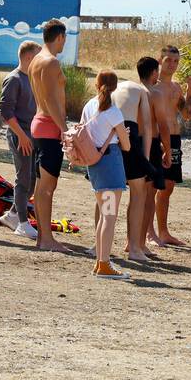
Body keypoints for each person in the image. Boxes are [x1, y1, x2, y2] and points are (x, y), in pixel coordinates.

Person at [82, 70, 133, 280]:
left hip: (94, 163)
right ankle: (104, 264)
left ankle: (100, 262)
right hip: (110, 164)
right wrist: (123, 136)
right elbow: (127, 146)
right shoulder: (113, 111)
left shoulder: (89, 106)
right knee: (109, 217)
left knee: (104, 215)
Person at [28, 20, 73, 252]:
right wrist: (64, 129)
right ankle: (46, 238)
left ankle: (43, 235)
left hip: (40, 125)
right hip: (48, 127)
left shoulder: (36, 60)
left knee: (41, 185)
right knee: (47, 186)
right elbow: (50, 101)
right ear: (60, 37)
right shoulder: (51, 62)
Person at [112, 57, 158, 262]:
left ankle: (99, 243)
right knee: (138, 193)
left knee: (107, 192)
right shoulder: (142, 91)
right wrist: (146, 159)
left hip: (107, 132)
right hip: (128, 133)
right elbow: (147, 126)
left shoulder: (117, 87)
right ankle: (134, 247)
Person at [0, 40, 42, 238]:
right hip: (20, 135)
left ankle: (14, 214)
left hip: (31, 135)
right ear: (28, 57)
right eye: (37, 56)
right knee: (23, 177)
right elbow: (6, 111)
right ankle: (22, 223)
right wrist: (22, 136)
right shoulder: (14, 79)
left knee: (32, 177)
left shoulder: (31, 79)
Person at [148, 44, 189, 247]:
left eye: (175, 61)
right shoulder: (152, 87)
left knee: (169, 186)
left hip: (175, 139)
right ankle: (149, 232)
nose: (172, 65)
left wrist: (189, 94)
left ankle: (163, 232)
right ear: (160, 61)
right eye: (168, 61)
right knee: (153, 186)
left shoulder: (176, 87)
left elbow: (187, 115)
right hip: (158, 140)